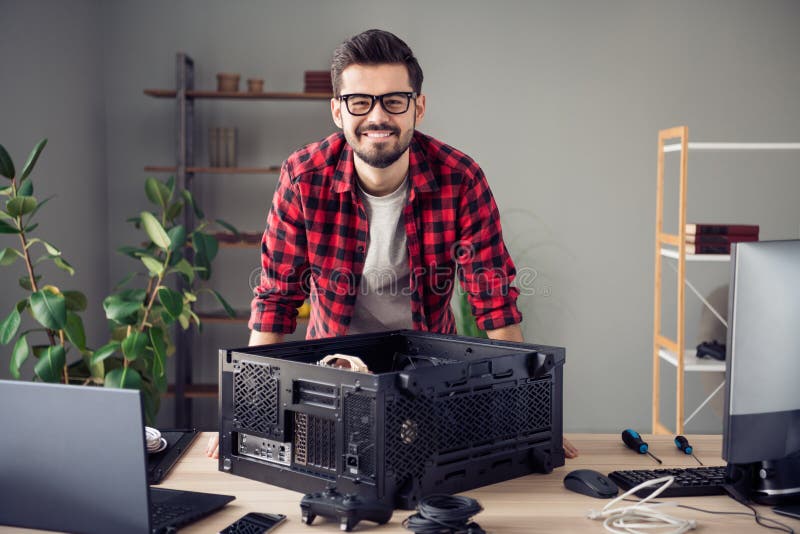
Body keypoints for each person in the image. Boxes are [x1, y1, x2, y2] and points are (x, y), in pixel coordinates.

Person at [207, 29, 578, 459]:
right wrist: (249, 409)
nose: (377, 117)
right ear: (337, 110)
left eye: (394, 101)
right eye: (359, 102)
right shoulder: (303, 177)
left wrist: (530, 414)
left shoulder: (460, 178)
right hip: (332, 381)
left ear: (418, 107)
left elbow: (493, 298)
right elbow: (277, 297)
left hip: (430, 381)